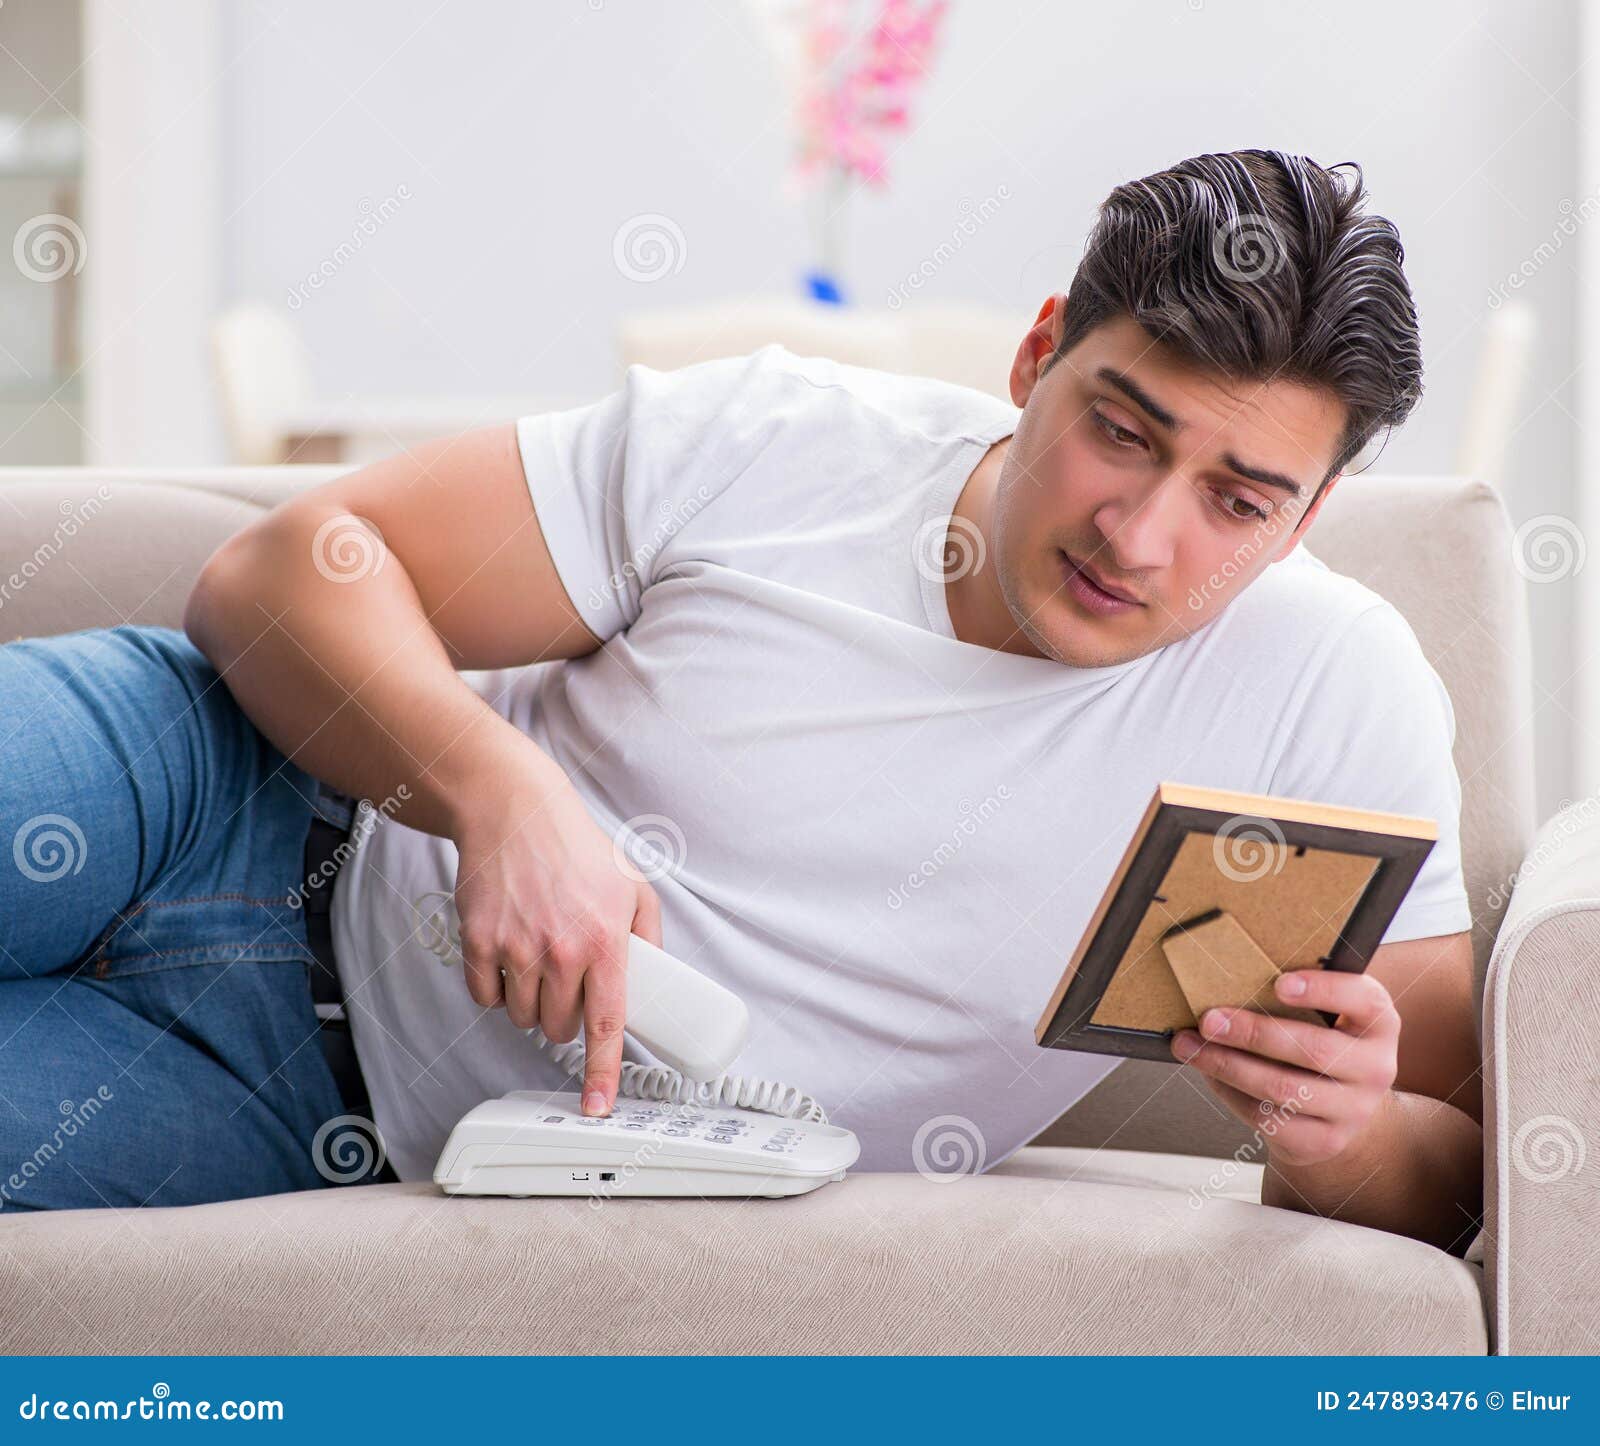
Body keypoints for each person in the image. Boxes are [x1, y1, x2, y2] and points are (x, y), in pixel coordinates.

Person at [0, 149, 1481, 1251]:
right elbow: (281, 569)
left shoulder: (1330, 698)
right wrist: (494, 792)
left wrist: (1335, 1136)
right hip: (220, 784)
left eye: (1237, 499)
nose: (1139, 536)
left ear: (1312, 514)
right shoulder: (787, 436)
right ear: (1037, 355)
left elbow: (1466, 1154)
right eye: (1119, 430)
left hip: (304, 1101)